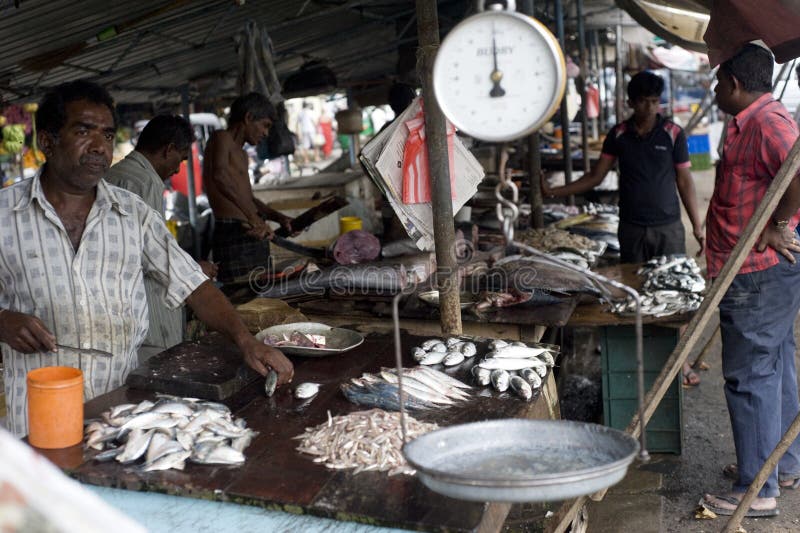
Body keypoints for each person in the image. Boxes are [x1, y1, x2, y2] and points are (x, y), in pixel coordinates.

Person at [0, 80, 293, 438]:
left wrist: (247, 341)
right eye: (83, 131)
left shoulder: (132, 214)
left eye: (107, 136)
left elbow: (194, 286)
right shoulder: (5, 214)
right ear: (47, 141)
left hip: (119, 415)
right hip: (34, 418)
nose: (99, 147)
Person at [542, 70, 705, 386]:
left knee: (678, 294)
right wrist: (553, 193)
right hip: (630, 227)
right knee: (635, 291)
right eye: (643, 101)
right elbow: (595, 177)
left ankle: (680, 361)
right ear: (631, 102)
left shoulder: (673, 133)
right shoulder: (617, 135)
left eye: (655, 101)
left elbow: (685, 180)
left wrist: (697, 226)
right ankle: (639, 354)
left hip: (668, 226)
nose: (649, 108)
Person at [700, 44, 800, 518]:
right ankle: (779, 466)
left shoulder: (766, 123)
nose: (716, 90)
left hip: (756, 274)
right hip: (750, 271)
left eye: (719, 83)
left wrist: (779, 223)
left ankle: (757, 489)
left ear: (735, 84)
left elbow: (797, 169)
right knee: (773, 363)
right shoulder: (750, 122)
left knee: (749, 375)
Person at [106, 115, 218, 362]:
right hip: (146, 315)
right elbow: (147, 255)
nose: (178, 169)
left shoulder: (117, 174)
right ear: (169, 150)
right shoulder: (143, 181)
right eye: (181, 159)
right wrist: (192, 269)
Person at [203, 92, 293, 284]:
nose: (266, 133)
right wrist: (252, 217)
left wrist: (278, 217)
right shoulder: (222, 137)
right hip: (233, 231)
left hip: (253, 231)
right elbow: (219, 175)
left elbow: (249, 198)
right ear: (249, 117)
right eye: (265, 125)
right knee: (240, 296)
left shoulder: (243, 155)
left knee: (263, 294)